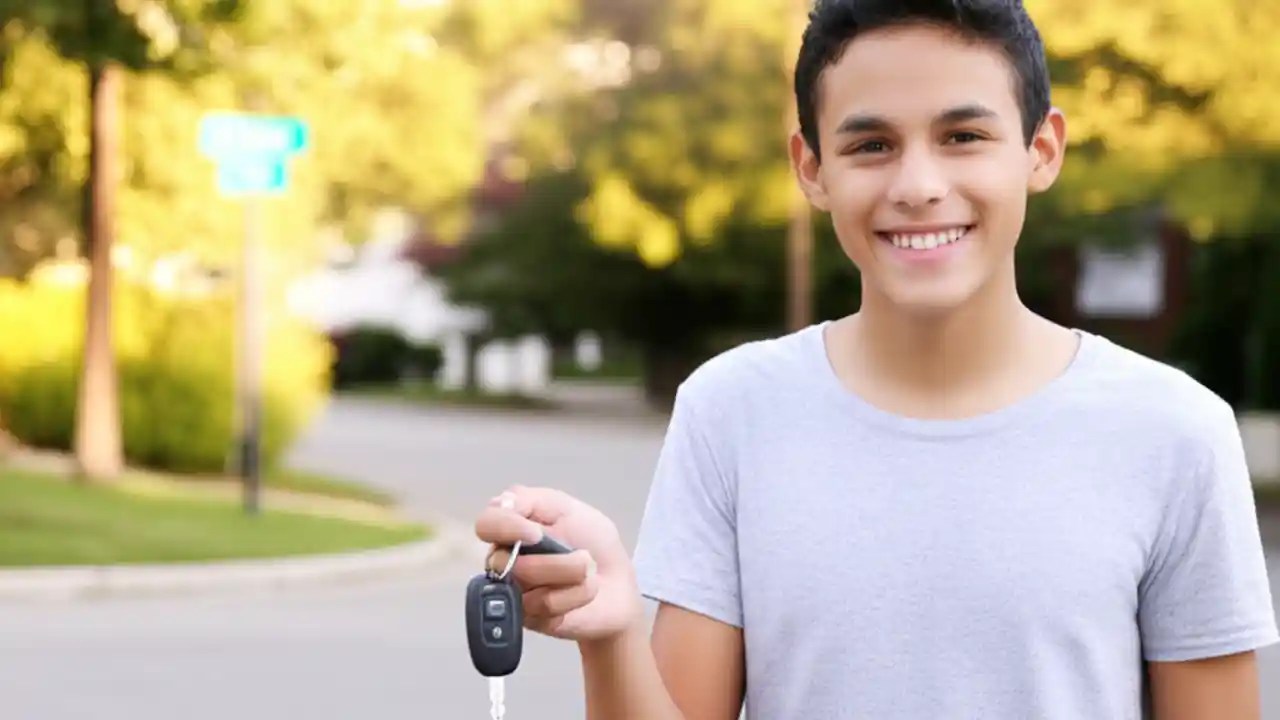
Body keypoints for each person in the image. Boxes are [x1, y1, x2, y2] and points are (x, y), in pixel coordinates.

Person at [473, 0, 1280, 717]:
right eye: (871, 145)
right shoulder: (731, 411)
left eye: (964, 136)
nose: (919, 184)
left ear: (1041, 150)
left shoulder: (1176, 432)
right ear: (811, 168)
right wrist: (612, 633)